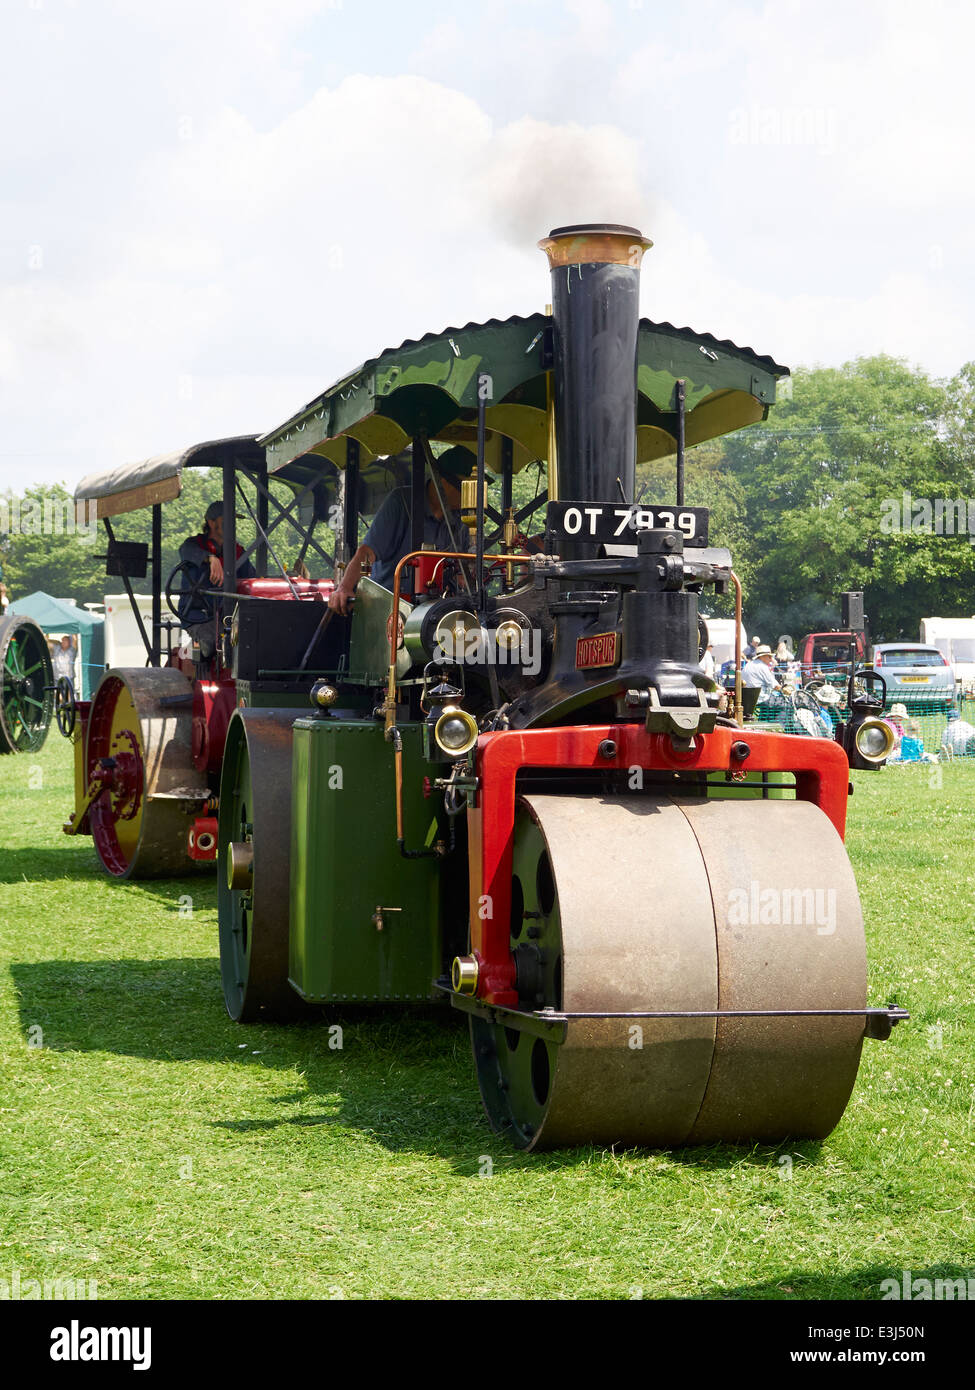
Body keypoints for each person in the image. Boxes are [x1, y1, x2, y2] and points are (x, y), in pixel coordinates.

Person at [328, 446, 477, 614]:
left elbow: (465, 567)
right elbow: (367, 552)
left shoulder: (462, 519)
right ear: (442, 482)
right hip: (388, 612)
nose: (471, 496)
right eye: (466, 488)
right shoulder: (401, 503)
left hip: (436, 613)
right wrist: (345, 587)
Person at [178, 500, 255, 659]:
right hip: (198, 617)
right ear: (211, 523)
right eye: (227, 521)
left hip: (228, 618)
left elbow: (253, 581)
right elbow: (186, 550)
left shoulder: (238, 552)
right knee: (218, 642)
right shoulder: (194, 545)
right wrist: (210, 558)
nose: (232, 526)